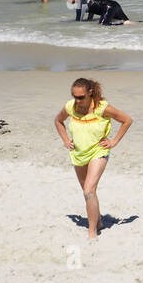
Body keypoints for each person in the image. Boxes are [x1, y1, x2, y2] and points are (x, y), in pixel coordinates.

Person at [54, 78, 133, 241]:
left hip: (99, 151)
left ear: (90, 93)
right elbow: (58, 121)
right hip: (78, 153)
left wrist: (114, 141)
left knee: (88, 190)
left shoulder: (102, 108)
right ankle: (98, 223)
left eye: (81, 97)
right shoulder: (70, 106)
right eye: (74, 96)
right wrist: (65, 140)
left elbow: (127, 120)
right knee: (89, 192)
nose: (77, 100)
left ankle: (92, 232)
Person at [66, 0, 134, 25]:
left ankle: (123, 24)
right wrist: (88, 20)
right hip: (115, 4)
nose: (68, 1)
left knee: (103, 25)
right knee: (130, 22)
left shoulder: (79, 4)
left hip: (109, 8)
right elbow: (92, 10)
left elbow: (78, 21)